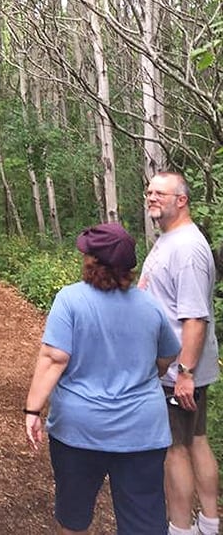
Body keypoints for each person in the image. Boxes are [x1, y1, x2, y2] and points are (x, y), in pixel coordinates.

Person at [25, 222, 180, 535]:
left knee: (74, 514)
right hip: (142, 431)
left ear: (92, 261)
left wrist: (32, 409)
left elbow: (55, 358)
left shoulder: (69, 300)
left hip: (79, 430)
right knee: (144, 520)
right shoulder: (150, 306)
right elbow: (166, 359)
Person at [139, 172, 220, 535]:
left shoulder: (186, 248)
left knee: (176, 449)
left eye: (160, 193)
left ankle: (181, 528)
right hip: (182, 368)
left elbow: (194, 318)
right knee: (196, 439)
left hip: (178, 371)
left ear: (181, 200)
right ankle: (209, 522)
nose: (151, 197)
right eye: (150, 191)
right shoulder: (172, 239)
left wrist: (184, 372)